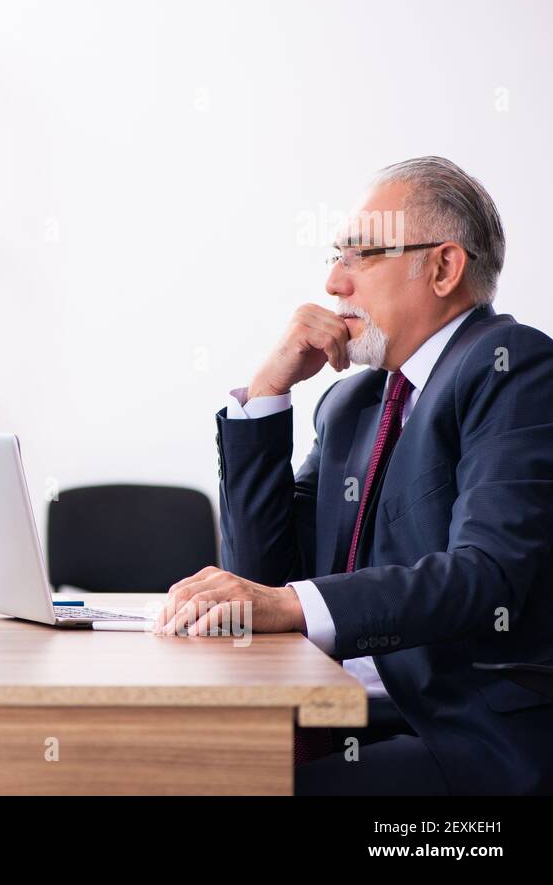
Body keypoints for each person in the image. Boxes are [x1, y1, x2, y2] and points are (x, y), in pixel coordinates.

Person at [152, 156, 553, 794]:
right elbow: (267, 578)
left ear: (444, 267)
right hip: (346, 715)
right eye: (335, 256)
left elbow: (487, 575)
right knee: (163, 763)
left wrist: (285, 604)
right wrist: (265, 393)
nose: (335, 283)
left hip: (459, 738)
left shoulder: (512, 367)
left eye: (360, 256)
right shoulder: (355, 404)